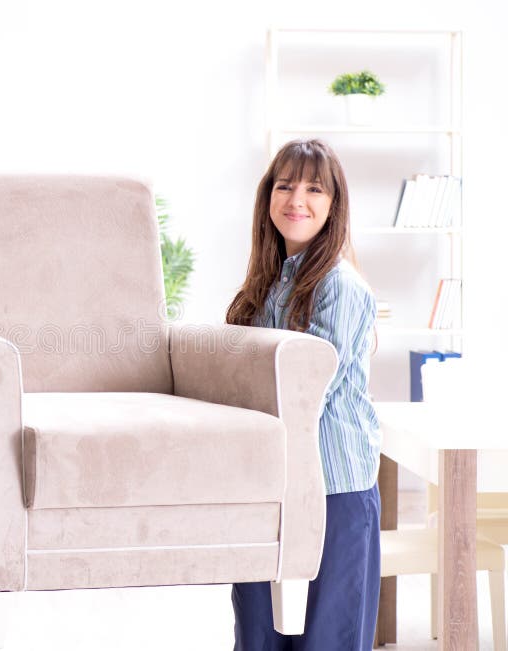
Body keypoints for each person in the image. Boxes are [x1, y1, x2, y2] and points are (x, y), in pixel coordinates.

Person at [226, 139, 381, 650]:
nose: (298, 198)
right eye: (285, 184)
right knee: (258, 633)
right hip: (268, 482)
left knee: (328, 637)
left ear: (333, 205)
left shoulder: (340, 285)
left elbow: (307, 393)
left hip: (333, 486)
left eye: (315, 188)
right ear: (268, 196)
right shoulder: (265, 285)